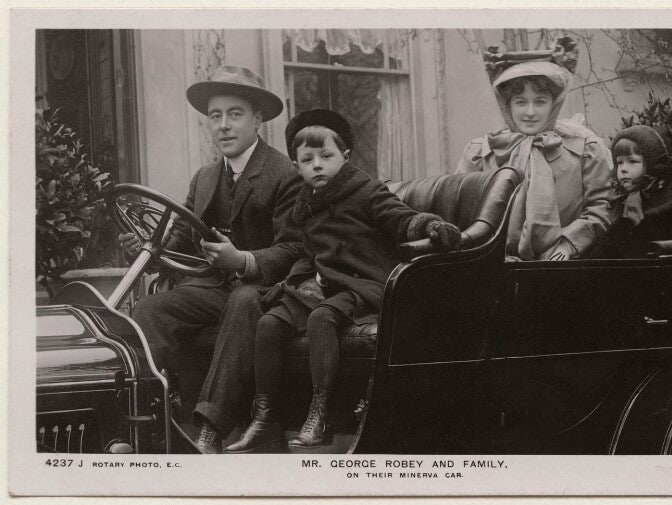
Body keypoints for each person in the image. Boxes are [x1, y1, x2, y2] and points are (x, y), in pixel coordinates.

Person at [223, 109, 462, 453]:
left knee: (322, 319)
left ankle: (320, 416)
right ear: (296, 166)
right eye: (307, 159)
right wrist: (296, 280)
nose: (317, 165)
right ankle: (263, 419)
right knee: (269, 324)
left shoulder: (365, 190)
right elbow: (303, 249)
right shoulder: (304, 203)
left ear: (345, 157)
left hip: (366, 285)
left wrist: (429, 226)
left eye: (326, 156)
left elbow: (399, 217)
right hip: (326, 285)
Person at [117, 65, 303, 453]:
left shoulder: (286, 174)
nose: (223, 126)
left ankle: (209, 432)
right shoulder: (203, 178)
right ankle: (142, 421)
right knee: (152, 309)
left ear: (258, 119)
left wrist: (242, 261)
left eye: (235, 114)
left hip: (269, 291)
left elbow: (294, 249)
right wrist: (148, 250)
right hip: (213, 289)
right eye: (215, 116)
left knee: (242, 299)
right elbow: (180, 242)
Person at [457, 48, 614, 260]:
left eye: (540, 101)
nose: (530, 112)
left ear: (554, 104)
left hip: (566, 268)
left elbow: (602, 206)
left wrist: (569, 245)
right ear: (507, 105)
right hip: (497, 269)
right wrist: (493, 254)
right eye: (521, 102)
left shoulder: (586, 149)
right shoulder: (480, 152)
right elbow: (462, 214)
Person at [585, 125, 672, 258]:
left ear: (652, 164)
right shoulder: (627, 201)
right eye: (619, 162)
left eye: (632, 161)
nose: (623, 169)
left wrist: (636, 224)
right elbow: (604, 250)